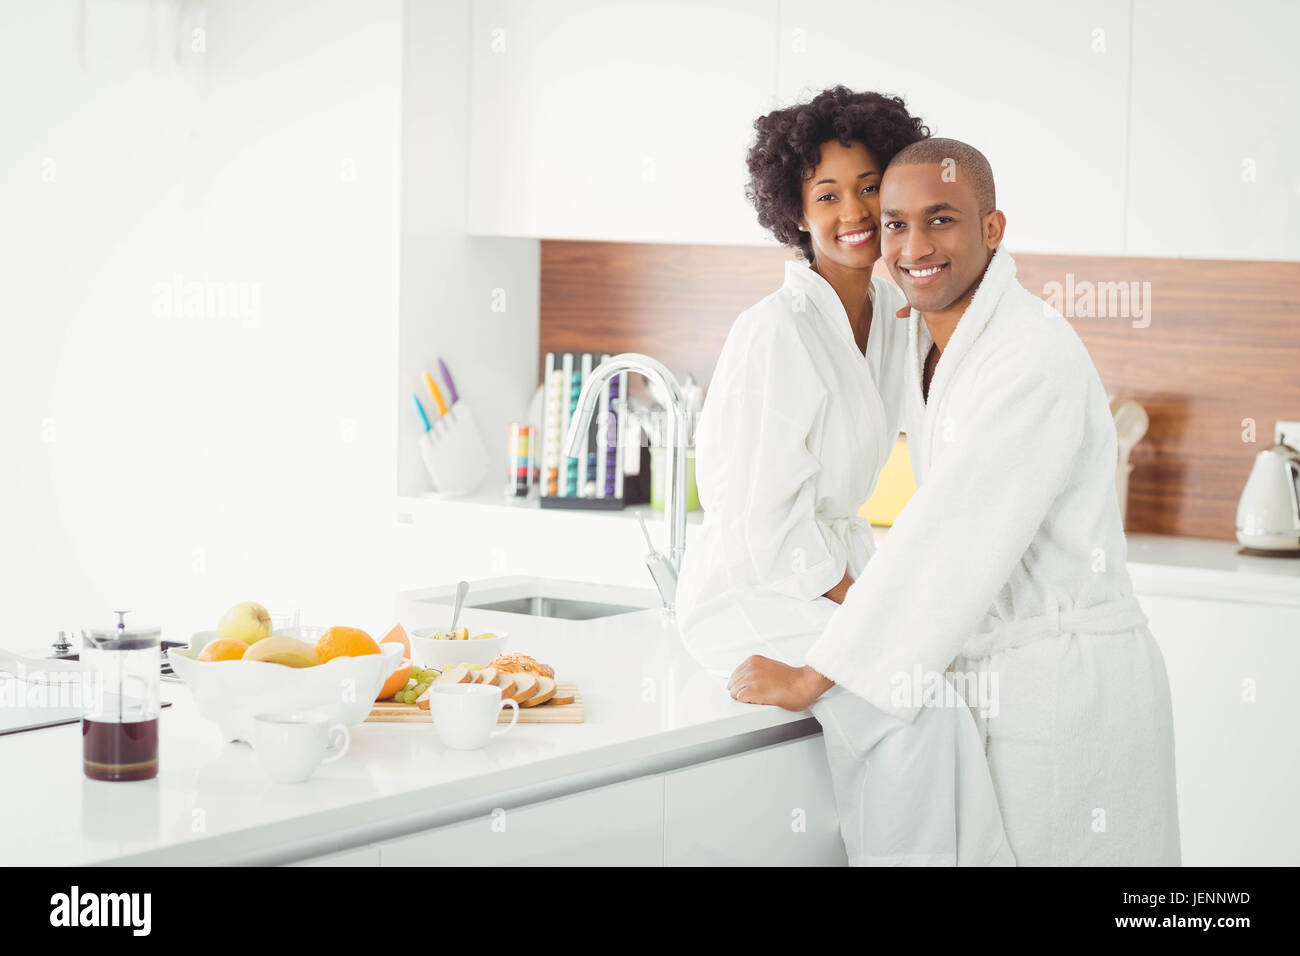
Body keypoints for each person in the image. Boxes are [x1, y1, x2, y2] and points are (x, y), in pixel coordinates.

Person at [731, 137, 1181, 866]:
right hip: (1001, 681)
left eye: (941, 220)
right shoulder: (928, 341)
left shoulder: (1028, 354)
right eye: (897, 224)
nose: (914, 245)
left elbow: (951, 537)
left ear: (992, 229)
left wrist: (819, 673)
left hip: (1064, 687)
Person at [676, 89, 1015, 865]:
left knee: (951, 690)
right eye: (826, 195)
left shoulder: (892, 311)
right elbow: (766, 527)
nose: (854, 211)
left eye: (870, 187)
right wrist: (869, 608)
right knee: (914, 707)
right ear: (794, 213)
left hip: (832, 568)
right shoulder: (776, 332)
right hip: (754, 585)